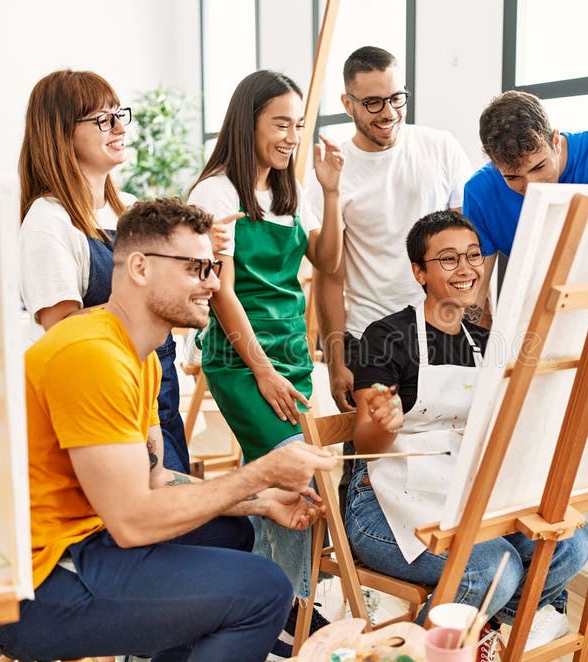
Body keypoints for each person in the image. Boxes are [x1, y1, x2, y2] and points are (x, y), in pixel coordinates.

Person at [0, 198, 336, 662]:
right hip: (35, 585)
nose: (213, 283)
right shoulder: (92, 356)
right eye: (196, 268)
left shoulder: (139, 355)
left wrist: (262, 500)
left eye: (213, 267)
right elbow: (133, 521)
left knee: (231, 534)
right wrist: (259, 473)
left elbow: (155, 478)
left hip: (86, 541)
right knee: (264, 588)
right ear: (141, 268)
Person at [462, 90, 588, 662]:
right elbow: (478, 286)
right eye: (513, 177)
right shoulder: (482, 192)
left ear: (557, 142)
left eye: (538, 168)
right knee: (527, 486)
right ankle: (544, 603)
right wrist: (488, 359)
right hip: (536, 358)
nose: (530, 186)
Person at [344, 211, 588, 659]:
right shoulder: (386, 336)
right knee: (493, 568)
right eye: (448, 259)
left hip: (463, 494)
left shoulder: (487, 341)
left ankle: (480, 630)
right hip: (386, 504)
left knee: (572, 543)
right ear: (419, 271)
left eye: (473, 255)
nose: (466, 268)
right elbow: (366, 444)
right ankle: (416, 653)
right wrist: (383, 424)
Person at [186, 69, 344, 653]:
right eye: (281, 123)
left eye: (298, 125)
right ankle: (286, 608)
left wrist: (330, 189)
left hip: (291, 356)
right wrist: (262, 369)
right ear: (246, 121)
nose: (291, 136)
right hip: (241, 358)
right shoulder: (215, 193)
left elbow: (326, 261)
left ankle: (254, 601)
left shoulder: (285, 189)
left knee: (281, 480)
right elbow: (221, 291)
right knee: (294, 469)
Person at [18, 69, 199, 475]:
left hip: (156, 388)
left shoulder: (129, 208)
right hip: (104, 399)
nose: (119, 127)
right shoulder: (49, 221)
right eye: (102, 119)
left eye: (119, 114)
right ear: (61, 133)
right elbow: (62, 327)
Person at [309, 46, 474, 414]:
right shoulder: (333, 171)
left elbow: (470, 248)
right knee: (371, 459)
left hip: (443, 328)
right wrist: (336, 361)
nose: (388, 113)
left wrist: (474, 325)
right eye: (372, 103)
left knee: (449, 449)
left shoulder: (440, 147)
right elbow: (329, 277)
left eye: (397, 98)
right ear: (347, 103)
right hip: (370, 337)